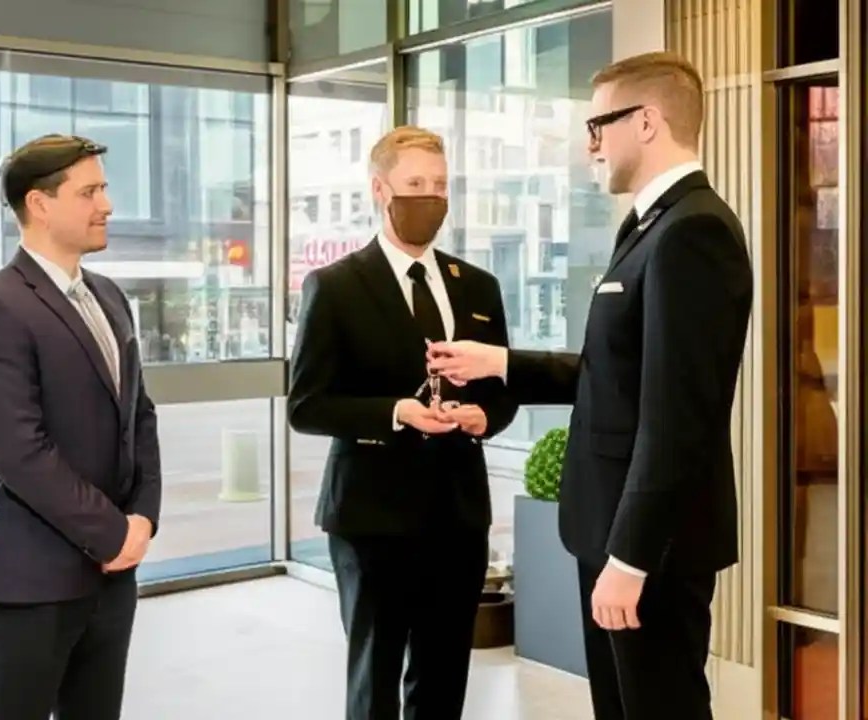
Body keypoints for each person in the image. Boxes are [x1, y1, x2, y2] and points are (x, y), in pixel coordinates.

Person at [425, 52, 752, 720]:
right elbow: (617, 375)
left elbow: (679, 418)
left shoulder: (693, 232)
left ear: (648, 122)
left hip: (649, 546)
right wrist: (501, 363)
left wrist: (630, 559)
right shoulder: (651, 226)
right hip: (613, 530)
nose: (590, 145)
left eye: (599, 125)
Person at [287, 125, 518, 720]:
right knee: (376, 673)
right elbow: (307, 405)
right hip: (371, 519)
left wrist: (483, 416)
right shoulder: (335, 286)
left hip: (458, 516)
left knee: (444, 674)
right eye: (415, 184)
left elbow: (502, 392)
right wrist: (396, 412)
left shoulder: (479, 287)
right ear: (380, 189)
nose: (430, 197)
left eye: (440, 185)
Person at [0, 134, 162, 720]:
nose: (107, 205)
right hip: (31, 580)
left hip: (112, 576)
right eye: (89, 192)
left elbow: (139, 414)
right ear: (39, 204)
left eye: (104, 189)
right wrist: (113, 533)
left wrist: (143, 518)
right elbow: (20, 452)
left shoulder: (109, 296)